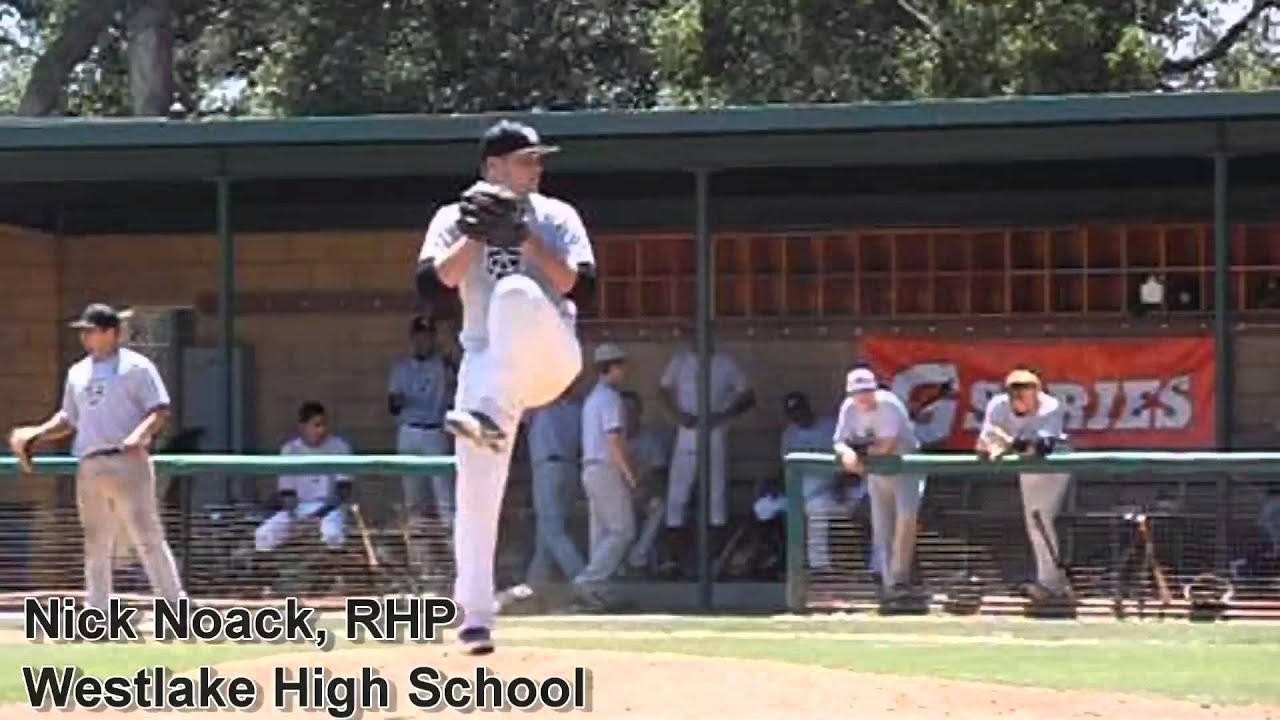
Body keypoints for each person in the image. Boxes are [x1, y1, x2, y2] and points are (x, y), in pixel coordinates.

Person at [416, 119, 594, 654]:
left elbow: (583, 285)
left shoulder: (557, 215)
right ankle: (474, 618)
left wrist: (528, 240)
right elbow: (431, 287)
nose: (537, 168)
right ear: (493, 168)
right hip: (484, 361)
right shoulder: (453, 216)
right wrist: (475, 235)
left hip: (548, 349)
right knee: (474, 492)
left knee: (514, 291)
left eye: (538, 159)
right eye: (526, 160)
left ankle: (487, 417)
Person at [7, 303, 184, 610]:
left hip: (127, 460)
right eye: (84, 331)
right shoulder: (78, 371)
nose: (85, 336)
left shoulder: (136, 366)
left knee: (147, 537)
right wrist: (37, 433)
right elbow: (68, 418)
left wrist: (141, 434)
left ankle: (174, 607)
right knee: (96, 544)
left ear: (111, 333)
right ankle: (98, 613)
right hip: (90, 462)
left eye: (91, 330)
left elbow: (159, 409)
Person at [976, 368, 1072, 603]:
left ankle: (1051, 584)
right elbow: (984, 442)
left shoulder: (1051, 406)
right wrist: (992, 446)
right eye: (1017, 394)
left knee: (1040, 518)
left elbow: (1040, 449)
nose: (1022, 399)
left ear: (1037, 391)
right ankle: (1054, 582)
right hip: (1026, 466)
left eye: (1028, 393)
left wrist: (1007, 442)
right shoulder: (998, 405)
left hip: (1053, 462)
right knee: (1035, 521)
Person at [658, 342, 754, 572]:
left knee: (716, 492)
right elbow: (663, 389)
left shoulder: (725, 362)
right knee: (677, 493)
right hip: (688, 429)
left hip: (714, 430)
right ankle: (674, 558)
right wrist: (678, 414)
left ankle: (715, 556)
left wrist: (723, 416)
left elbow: (748, 395)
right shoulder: (680, 359)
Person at [833, 367, 925, 603]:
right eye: (857, 392)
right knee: (882, 525)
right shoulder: (848, 408)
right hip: (876, 472)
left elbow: (886, 447)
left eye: (867, 391)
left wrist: (857, 457)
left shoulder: (889, 405)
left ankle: (899, 579)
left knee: (906, 521)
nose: (863, 397)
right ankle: (890, 585)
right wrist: (845, 453)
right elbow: (839, 441)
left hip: (905, 468)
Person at [573, 343, 638, 608]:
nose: (624, 371)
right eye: (621, 365)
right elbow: (614, 440)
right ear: (611, 367)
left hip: (590, 467)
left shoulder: (592, 398)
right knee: (623, 530)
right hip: (605, 467)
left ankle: (597, 591)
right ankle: (590, 580)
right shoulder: (610, 398)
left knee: (600, 534)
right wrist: (630, 475)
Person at [388, 315, 454, 544]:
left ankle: (453, 558)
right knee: (414, 500)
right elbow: (393, 406)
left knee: (445, 498)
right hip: (409, 432)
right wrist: (398, 399)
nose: (422, 341)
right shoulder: (402, 367)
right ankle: (421, 561)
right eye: (418, 337)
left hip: (435, 432)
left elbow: (455, 361)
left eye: (427, 337)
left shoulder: (442, 364)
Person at [255, 402, 353, 552]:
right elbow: (287, 492)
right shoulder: (289, 450)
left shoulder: (339, 447)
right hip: (298, 508)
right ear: (303, 427)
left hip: (329, 509)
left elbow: (343, 490)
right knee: (264, 535)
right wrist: (295, 517)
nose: (322, 430)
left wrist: (319, 515)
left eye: (324, 425)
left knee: (332, 535)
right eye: (316, 425)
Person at [522, 388, 586, 593]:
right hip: (570, 467)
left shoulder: (537, 406)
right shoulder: (577, 409)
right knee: (545, 535)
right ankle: (534, 585)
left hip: (547, 468)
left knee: (552, 530)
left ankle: (583, 580)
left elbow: (518, 420)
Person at [779, 391, 845, 571]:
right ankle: (782, 563)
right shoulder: (789, 434)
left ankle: (819, 566)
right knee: (763, 508)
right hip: (799, 488)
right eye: (793, 412)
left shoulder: (830, 427)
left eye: (800, 410)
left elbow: (846, 460)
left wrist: (842, 483)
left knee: (817, 507)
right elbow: (784, 467)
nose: (798, 415)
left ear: (808, 408)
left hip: (830, 486)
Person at [622, 391, 673, 573]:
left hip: (642, 493)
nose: (628, 414)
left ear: (639, 412)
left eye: (632, 410)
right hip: (615, 495)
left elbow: (659, 471)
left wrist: (644, 489)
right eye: (624, 409)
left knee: (659, 506)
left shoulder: (649, 439)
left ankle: (638, 556)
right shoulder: (612, 438)